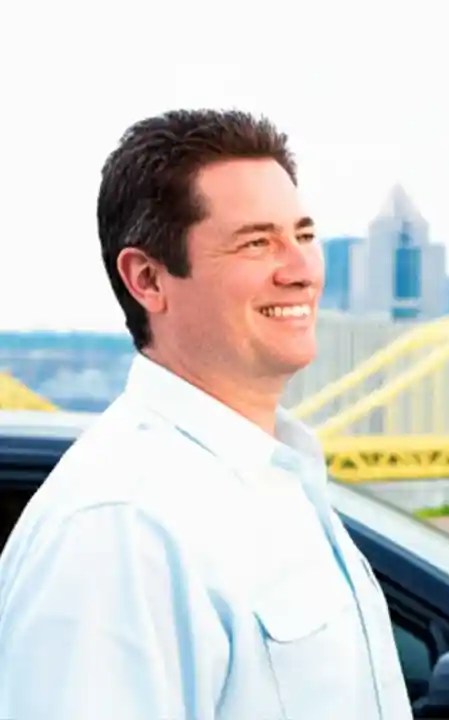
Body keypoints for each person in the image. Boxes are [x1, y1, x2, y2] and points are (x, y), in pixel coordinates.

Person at [0, 110, 411, 719]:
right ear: (148, 279)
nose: (300, 271)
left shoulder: (278, 478)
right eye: (256, 242)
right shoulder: (119, 529)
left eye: (303, 235)